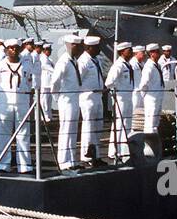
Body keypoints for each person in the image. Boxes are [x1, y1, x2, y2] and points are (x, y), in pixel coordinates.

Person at [0, 39, 34, 174]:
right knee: (4, 134)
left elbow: (29, 84)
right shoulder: (0, 66)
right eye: (10, 48)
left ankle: (25, 165)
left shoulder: (26, 66)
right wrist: (4, 98)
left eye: (16, 48)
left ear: (20, 49)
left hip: (22, 102)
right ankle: (3, 164)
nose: (13, 50)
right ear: (6, 50)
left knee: (23, 134)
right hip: (5, 103)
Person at [49, 34, 84, 171]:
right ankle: (64, 162)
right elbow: (55, 82)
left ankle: (71, 160)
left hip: (74, 99)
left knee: (73, 131)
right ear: (71, 45)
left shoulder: (73, 60)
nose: (81, 49)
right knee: (66, 130)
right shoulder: (63, 61)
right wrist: (59, 98)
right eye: (78, 46)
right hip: (67, 99)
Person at [105, 40, 138, 161]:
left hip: (128, 97)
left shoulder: (127, 65)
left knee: (127, 125)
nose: (131, 52)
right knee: (119, 124)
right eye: (129, 50)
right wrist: (116, 91)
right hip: (121, 98)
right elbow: (109, 82)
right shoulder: (118, 65)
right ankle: (115, 151)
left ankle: (124, 151)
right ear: (122, 52)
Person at [77, 35, 106, 165]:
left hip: (98, 95)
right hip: (87, 96)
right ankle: (87, 155)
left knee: (98, 126)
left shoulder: (96, 60)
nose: (99, 49)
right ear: (89, 48)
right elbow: (78, 80)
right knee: (88, 126)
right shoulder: (83, 61)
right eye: (96, 47)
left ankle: (96, 154)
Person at [136, 43, 165, 134]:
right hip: (151, 97)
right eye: (157, 52)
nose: (159, 54)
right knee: (150, 121)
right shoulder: (149, 66)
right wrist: (145, 96)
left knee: (156, 122)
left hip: (158, 96)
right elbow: (144, 83)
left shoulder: (157, 65)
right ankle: (149, 144)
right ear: (151, 54)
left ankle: (154, 142)